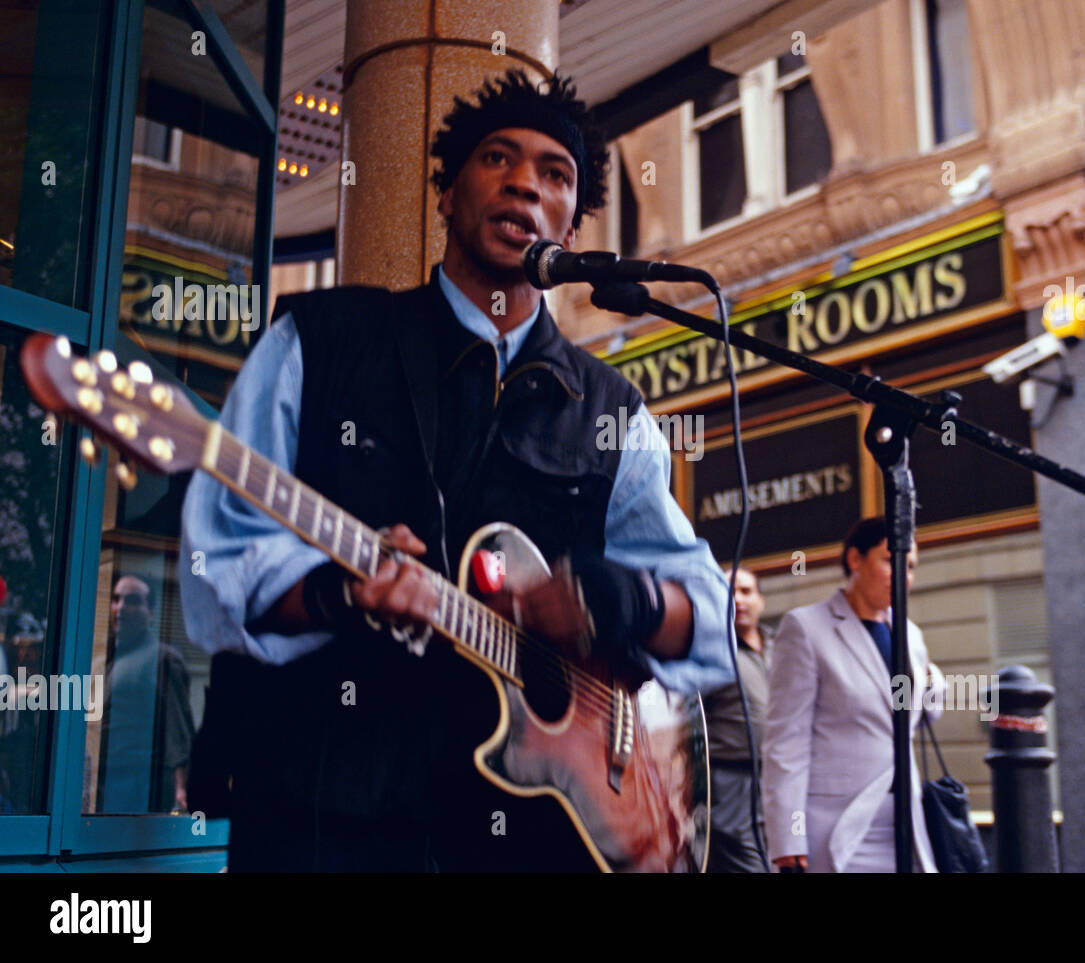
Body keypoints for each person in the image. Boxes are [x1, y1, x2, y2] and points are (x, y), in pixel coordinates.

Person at [179, 70, 731, 872]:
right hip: (328, 828)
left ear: (571, 225)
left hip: (533, 847)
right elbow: (220, 561)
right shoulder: (321, 341)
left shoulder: (613, 409)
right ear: (446, 194)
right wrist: (339, 590)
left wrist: (627, 599)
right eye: (496, 159)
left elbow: (708, 618)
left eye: (554, 174)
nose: (524, 184)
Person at [763, 517, 945, 873]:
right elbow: (786, 742)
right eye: (889, 560)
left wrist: (930, 678)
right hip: (836, 828)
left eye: (909, 566)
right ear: (855, 560)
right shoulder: (806, 627)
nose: (901, 574)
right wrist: (787, 836)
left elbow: (919, 714)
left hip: (907, 824)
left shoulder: (909, 634)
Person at [99, 575, 194, 813]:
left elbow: (178, 730)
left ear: (150, 612)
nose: (120, 608)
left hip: (141, 787)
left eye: (131, 601)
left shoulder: (163, 659)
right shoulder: (106, 660)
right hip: (103, 785)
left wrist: (184, 787)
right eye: (116, 599)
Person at [703, 566, 770, 872]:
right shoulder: (708, 651)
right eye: (730, 591)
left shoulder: (781, 644)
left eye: (746, 591)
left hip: (779, 776)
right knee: (748, 865)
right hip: (728, 776)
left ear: (761, 600)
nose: (738, 600)